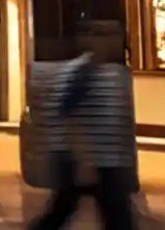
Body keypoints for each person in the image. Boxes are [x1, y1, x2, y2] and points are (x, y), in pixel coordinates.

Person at [29, 38, 139, 230]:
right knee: (110, 215)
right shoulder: (84, 72)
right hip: (88, 159)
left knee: (65, 211)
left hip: (101, 159)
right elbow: (69, 114)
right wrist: (83, 158)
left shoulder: (111, 71)